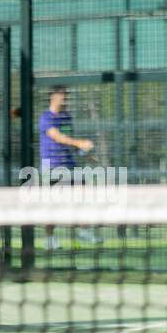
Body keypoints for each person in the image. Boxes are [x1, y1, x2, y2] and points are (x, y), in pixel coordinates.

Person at [38, 86, 93, 249]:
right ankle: (49, 238)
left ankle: (83, 231)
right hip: (52, 166)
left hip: (69, 165)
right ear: (53, 97)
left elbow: (69, 140)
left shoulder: (67, 117)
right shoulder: (46, 118)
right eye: (63, 95)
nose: (65, 99)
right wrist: (80, 143)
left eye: (66, 96)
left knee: (83, 194)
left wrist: (83, 151)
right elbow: (58, 137)